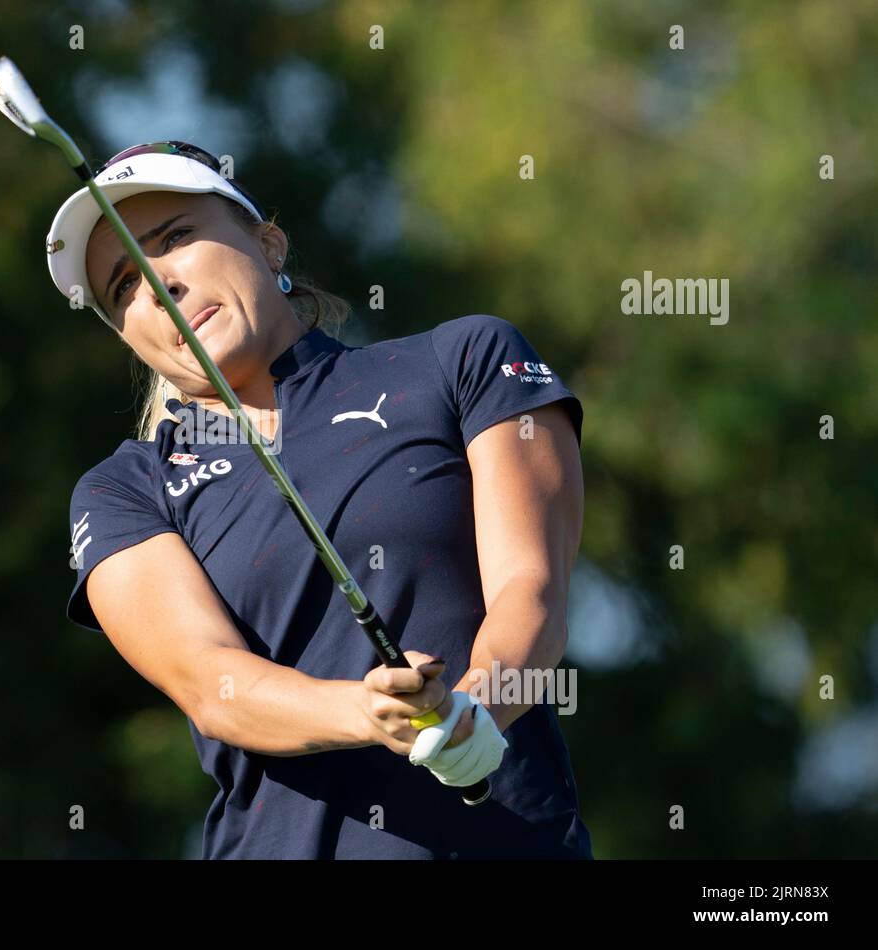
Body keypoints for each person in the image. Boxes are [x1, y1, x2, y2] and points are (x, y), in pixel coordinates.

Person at [50, 141, 591, 859]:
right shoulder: (125, 489)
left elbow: (532, 592)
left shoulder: (462, 362)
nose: (156, 285)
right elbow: (214, 686)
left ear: (269, 243)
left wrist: (468, 714)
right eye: (123, 285)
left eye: (176, 237)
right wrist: (369, 712)